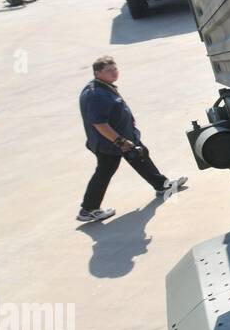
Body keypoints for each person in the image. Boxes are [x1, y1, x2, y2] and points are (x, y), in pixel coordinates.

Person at [78, 56, 187, 222]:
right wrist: (120, 141)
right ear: (97, 73)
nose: (114, 72)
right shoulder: (96, 94)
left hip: (123, 138)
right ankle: (88, 209)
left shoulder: (104, 87)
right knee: (104, 172)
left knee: (141, 157)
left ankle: (162, 185)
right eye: (109, 70)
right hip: (111, 143)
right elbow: (99, 124)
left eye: (115, 68)